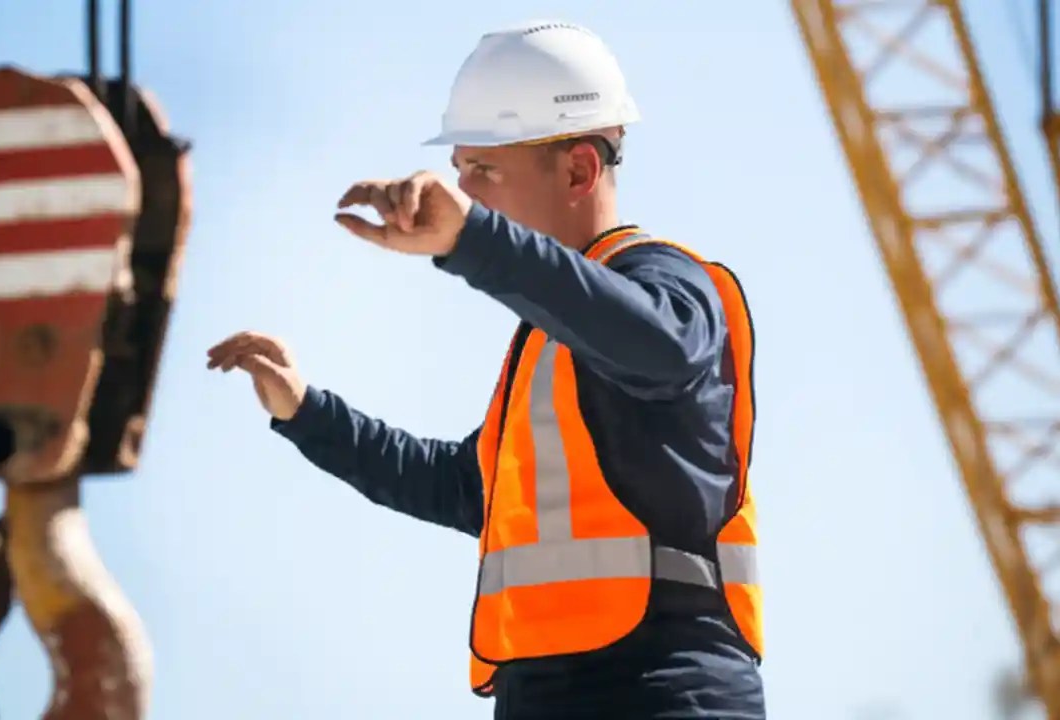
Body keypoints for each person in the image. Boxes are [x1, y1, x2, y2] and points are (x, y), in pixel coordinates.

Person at [207, 19, 766, 719]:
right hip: (544, 695)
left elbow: (661, 347)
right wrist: (307, 412)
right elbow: (462, 487)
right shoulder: (553, 339)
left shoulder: (666, 286)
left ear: (578, 170)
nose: (463, 192)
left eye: (485, 172)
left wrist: (474, 239)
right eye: (461, 169)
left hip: (662, 690)